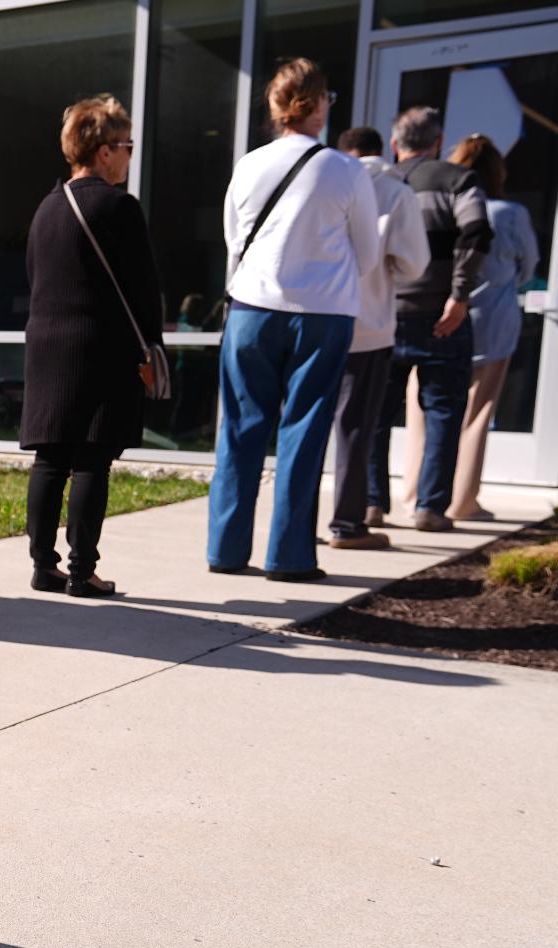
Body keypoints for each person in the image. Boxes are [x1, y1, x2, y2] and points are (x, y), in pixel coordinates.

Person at [208, 59, 379, 582]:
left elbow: (234, 241)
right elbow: (369, 253)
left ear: (276, 105)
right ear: (320, 103)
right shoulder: (347, 170)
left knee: (240, 429)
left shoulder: (249, 164)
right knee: (304, 431)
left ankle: (225, 550)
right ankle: (289, 557)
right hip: (322, 314)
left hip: (252, 309)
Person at [20, 95, 158, 599]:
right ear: (104, 151)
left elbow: (35, 277)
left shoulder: (46, 208)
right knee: (92, 460)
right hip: (101, 347)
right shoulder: (119, 206)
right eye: (127, 146)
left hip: (47, 346)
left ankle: (44, 566)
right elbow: (144, 287)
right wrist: (152, 349)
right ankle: (83, 572)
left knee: (50, 458)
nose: (129, 155)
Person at [369, 106, 492, 533]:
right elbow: (476, 233)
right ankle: (430, 508)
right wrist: (459, 295)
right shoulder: (459, 180)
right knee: (443, 412)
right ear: (438, 141)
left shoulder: (379, 185)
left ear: (394, 144)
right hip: (443, 316)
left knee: (375, 413)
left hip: (383, 314)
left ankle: (370, 503)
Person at [322, 127, 427, 551]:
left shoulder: (323, 181)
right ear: (385, 150)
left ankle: (295, 527)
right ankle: (347, 524)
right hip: (367, 325)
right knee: (354, 427)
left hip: (313, 318)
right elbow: (414, 263)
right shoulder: (395, 191)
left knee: (306, 426)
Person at [443, 133, 538, 521]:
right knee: (477, 412)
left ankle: (419, 493)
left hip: (441, 317)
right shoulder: (509, 214)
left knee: (428, 408)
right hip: (494, 320)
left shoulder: (447, 206)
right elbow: (528, 266)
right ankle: (463, 501)